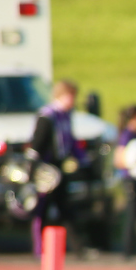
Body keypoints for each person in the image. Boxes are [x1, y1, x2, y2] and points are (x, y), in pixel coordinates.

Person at [27, 80, 83, 256]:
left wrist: (81, 159)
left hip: (60, 168)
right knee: (42, 208)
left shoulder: (66, 115)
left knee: (65, 207)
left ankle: (76, 247)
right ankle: (40, 248)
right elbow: (37, 144)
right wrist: (33, 168)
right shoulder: (47, 116)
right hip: (46, 169)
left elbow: (70, 141)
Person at [112, 104, 136, 258]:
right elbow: (119, 160)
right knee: (132, 213)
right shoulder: (126, 136)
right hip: (131, 180)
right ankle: (128, 249)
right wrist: (135, 161)